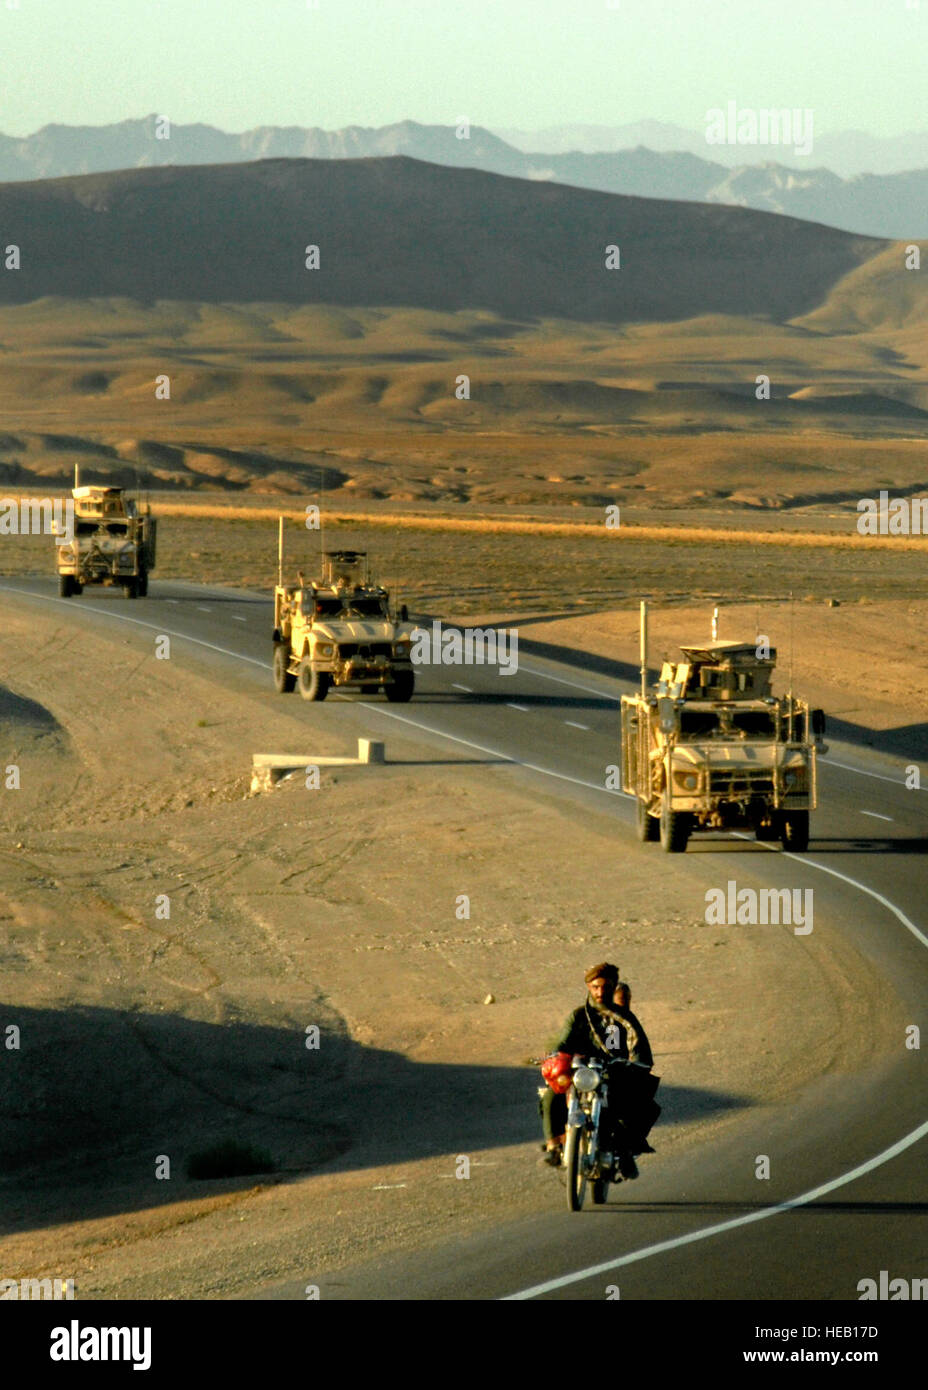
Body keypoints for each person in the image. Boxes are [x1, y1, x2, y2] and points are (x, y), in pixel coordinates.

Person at [540, 963, 659, 1179]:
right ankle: (553, 1146)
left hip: (608, 1073)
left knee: (626, 1105)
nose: (600, 992)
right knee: (550, 1096)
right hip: (580, 1071)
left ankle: (624, 1152)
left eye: (605, 987)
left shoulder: (621, 1020)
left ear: (612, 987)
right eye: (595, 987)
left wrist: (635, 1063)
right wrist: (555, 1054)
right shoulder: (578, 1016)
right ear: (588, 987)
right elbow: (563, 1040)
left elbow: (633, 1046)